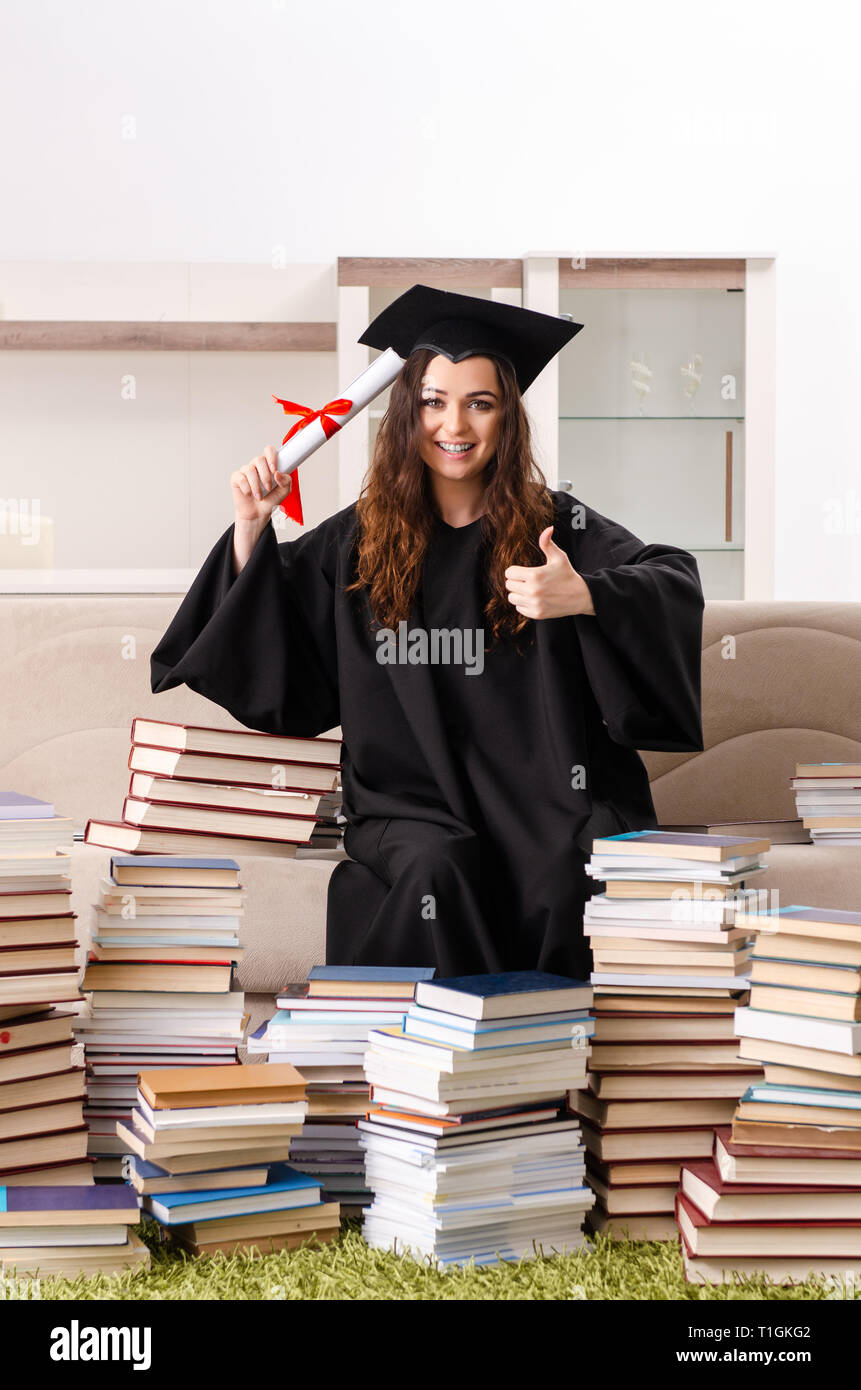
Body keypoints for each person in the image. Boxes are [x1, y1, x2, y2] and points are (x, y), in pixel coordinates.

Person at [150, 285, 705, 980]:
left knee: (572, 869)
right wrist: (252, 526)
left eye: (480, 402)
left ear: (507, 418)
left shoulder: (554, 527)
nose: (456, 426)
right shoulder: (357, 539)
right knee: (438, 872)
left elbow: (670, 579)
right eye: (434, 402)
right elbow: (277, 651)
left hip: (544, 794)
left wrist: (586, 594)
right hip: (409, 805)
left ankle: (549, 1068)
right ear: (406, 415)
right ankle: (424, 1072)